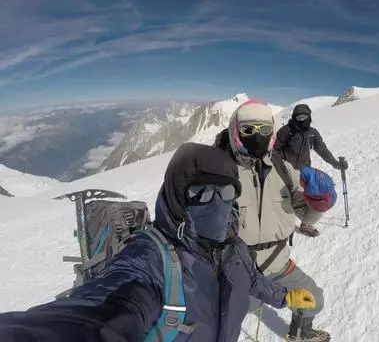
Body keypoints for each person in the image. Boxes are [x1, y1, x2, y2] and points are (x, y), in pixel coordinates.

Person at [0, 142, 316, 342]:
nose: (217, 203)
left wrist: (287, 297)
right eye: (201, 193)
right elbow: (108, 305)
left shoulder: (235, 249)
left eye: (227, 192)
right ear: (178, 200)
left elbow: (254, 282)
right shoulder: (152, 256)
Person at [215, 100, 330, 342]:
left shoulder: (283, 169)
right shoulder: (221, 172)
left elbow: (305, 213)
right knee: (219, 325)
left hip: (277, 264)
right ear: (235, 131)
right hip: (235, 270)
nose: (257, 136)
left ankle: (300, 334)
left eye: (264, 129)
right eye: (248, 130)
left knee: (313, 299)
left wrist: (319, 203)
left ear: (272, 132)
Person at [272, 103, 347, 237]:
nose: (302, 120)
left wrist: (335, 163)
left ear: (309, 117)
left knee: (309, 198)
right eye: (298, 118)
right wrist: (281, 166)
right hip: (285, 171)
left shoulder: (312, 133)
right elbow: (274, 151)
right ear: (294, 118)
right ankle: (281, 223)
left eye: (304, 117)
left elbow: (322, 150)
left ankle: (305, 224)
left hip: (304, 172)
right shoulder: (286, 132)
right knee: (284, 199)